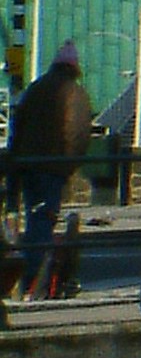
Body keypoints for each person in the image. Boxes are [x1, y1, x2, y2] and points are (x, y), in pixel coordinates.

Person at [4, 41, 93, 298]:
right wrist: (68, 166)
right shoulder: (74, 93)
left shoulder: (36, 87)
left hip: (27, 164)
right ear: (74, 67)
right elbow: (77, 134)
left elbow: (17, 126)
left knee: (33, 219)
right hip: (52, 167)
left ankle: (27, 278)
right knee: (42, 223)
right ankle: (34, 282)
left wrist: (16, 160)